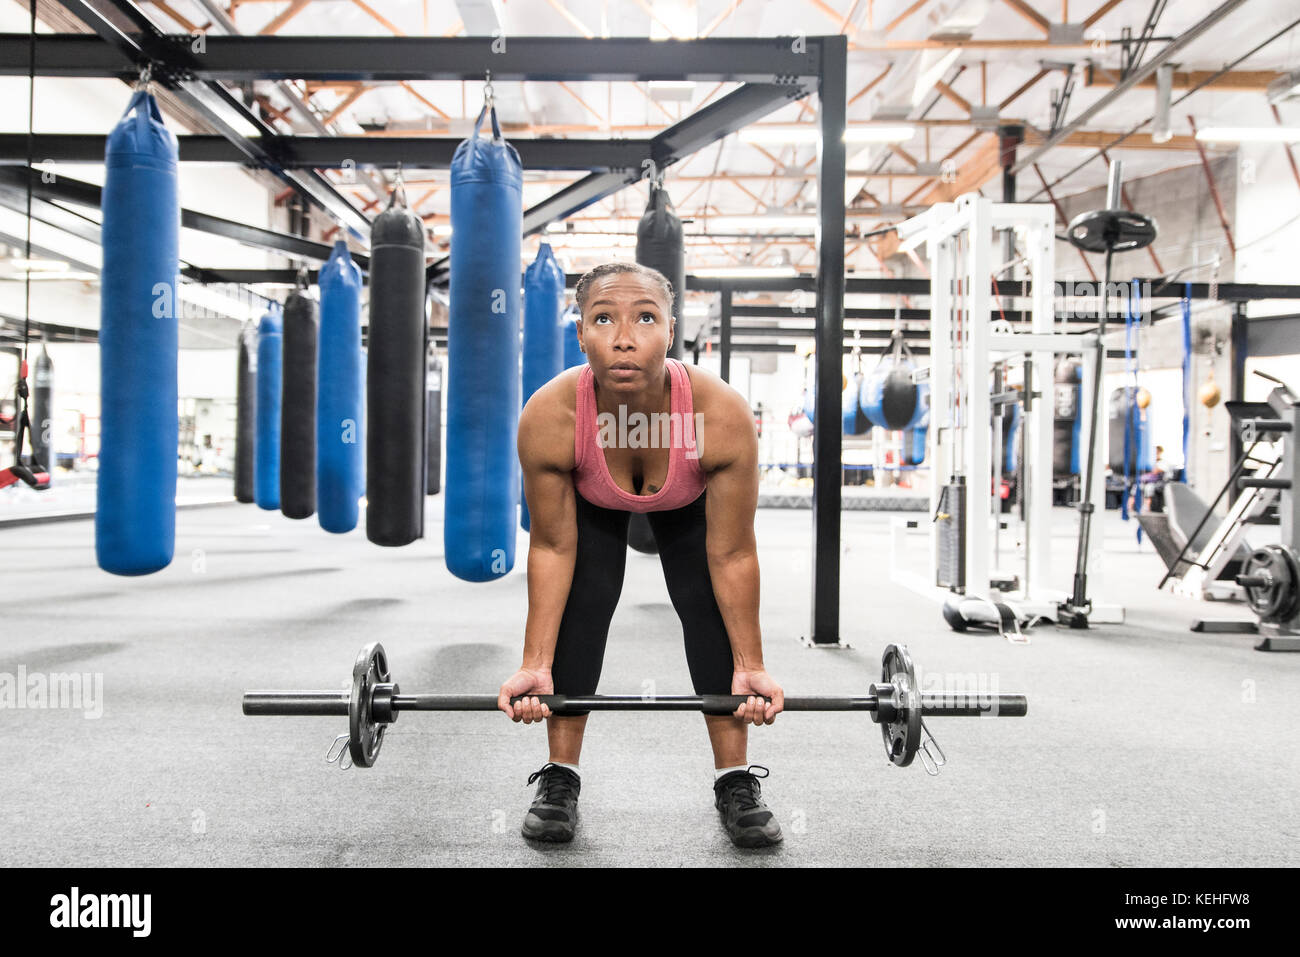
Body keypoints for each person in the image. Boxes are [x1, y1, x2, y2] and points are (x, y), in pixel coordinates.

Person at [498, 261, 785, 847]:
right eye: (604, 319)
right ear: (580, 334)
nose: (624, 337)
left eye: (644, 318)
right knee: (587, 596)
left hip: (686, 494)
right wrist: (535, 662)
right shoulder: (550, 416)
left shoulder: (719, 415)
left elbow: (733, 553)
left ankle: (735, 779)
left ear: (671, 331)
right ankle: (560, 776)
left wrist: (751, 665)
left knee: (705, 602)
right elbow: (552, 546)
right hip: (593, 493)